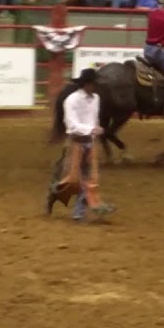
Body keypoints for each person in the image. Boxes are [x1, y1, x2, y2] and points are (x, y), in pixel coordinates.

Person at [52, 69, 114, 223]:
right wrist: (91, 129)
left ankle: (78, 213)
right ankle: (55, 192)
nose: (97, 87)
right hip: (76, 142)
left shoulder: (96, 99)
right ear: (87, 84)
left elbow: (93, 118)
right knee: (74, 179)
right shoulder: (72, 100)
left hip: (89, 142)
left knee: (88, 178)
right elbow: (71, 124)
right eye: (94, 84)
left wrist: (95, 129)